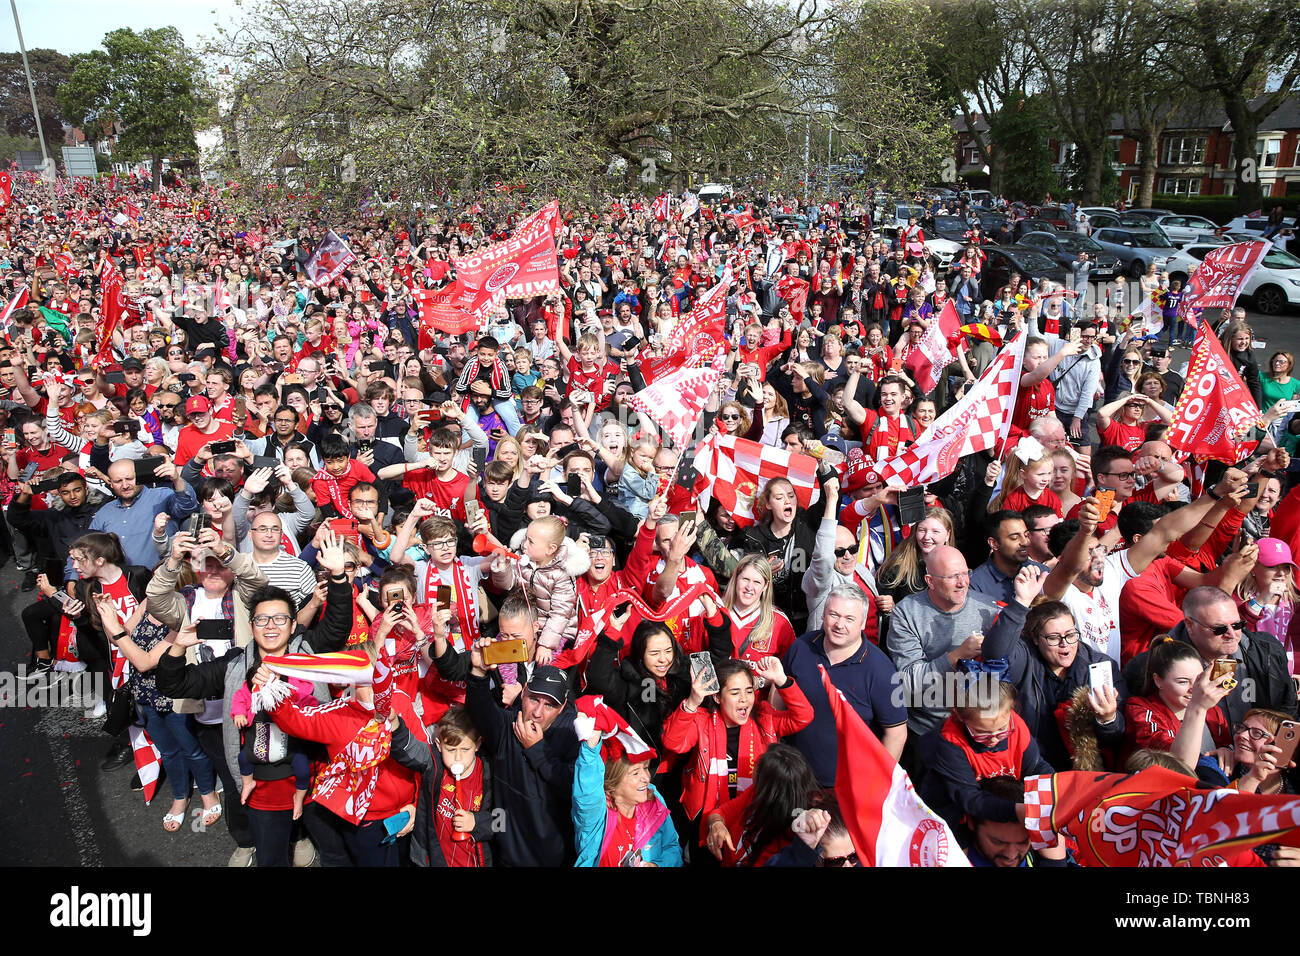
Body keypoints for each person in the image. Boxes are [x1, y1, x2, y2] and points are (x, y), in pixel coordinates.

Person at [154, 533, 357, 866]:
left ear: (293, 626)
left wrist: (337, 578)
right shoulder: (235, 664)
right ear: (252, 625)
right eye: (262, 620)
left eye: (280, 619)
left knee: (335, 852)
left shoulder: (306, 650)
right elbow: (175, 684)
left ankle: (303, 836)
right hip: (263, 787)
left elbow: (337, 625)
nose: (271, 626)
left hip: (316, 776)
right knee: (271, 858)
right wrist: (179, 645)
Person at [463, 653, 579, 867]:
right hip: (508, 856)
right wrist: (478, 672)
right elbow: (478, 708)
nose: (537, 713)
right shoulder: (507, 726)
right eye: (534, 699)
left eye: (549, 705)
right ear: (523, 692)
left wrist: (537, 749)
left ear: (562, 708)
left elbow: (573, 788)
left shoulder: (572, 735)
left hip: (554, 860)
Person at [783, 584, 907, 785]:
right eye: (834, 615)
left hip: (847, 788)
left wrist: (876, 784)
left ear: (863, 623)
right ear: (823, 615)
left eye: (849, 618)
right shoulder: (801, 647)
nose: (840, 624)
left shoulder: (881, 669)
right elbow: (778, 698)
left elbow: (896, 733)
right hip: (793, 779)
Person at [887, 546, 1002, 739]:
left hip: (983, 725)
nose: (962, 583)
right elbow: (907, 681)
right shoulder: (907, 613)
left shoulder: (988, 609)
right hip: (929, 729)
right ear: (930, 581)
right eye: (952, 577)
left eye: (966, 573)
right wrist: (956, 656)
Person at [572, 719, 683, 867]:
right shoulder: (596, 815)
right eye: (635, 773)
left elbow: (672, 847)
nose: (646, 778)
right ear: (613, 784)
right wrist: (590, 748)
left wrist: (657, 865)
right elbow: (586, 791)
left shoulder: (654, 799)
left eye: (645, 768)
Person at [703, 743, 821, 867]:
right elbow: (723, 812)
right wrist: (716, 823)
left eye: (757, 768)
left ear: (772, 791)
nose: (753, 770)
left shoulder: (789, 838)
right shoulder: (755, 794)